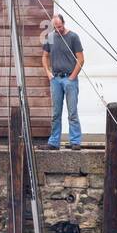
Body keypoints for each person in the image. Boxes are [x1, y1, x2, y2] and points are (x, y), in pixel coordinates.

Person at [40, 13, 84, 149]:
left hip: (69, 78)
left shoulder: (73, 37)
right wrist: (48, 73)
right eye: (56, 27)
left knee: (72, 113)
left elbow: (81, 59)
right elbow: (45, 56)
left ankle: (75, 142)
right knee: (56, 113)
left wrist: (72, 77)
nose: (58, 29)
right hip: (56, 79)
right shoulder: (51, 37)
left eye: (60, 26)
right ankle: (54, 142)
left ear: (64, 23)